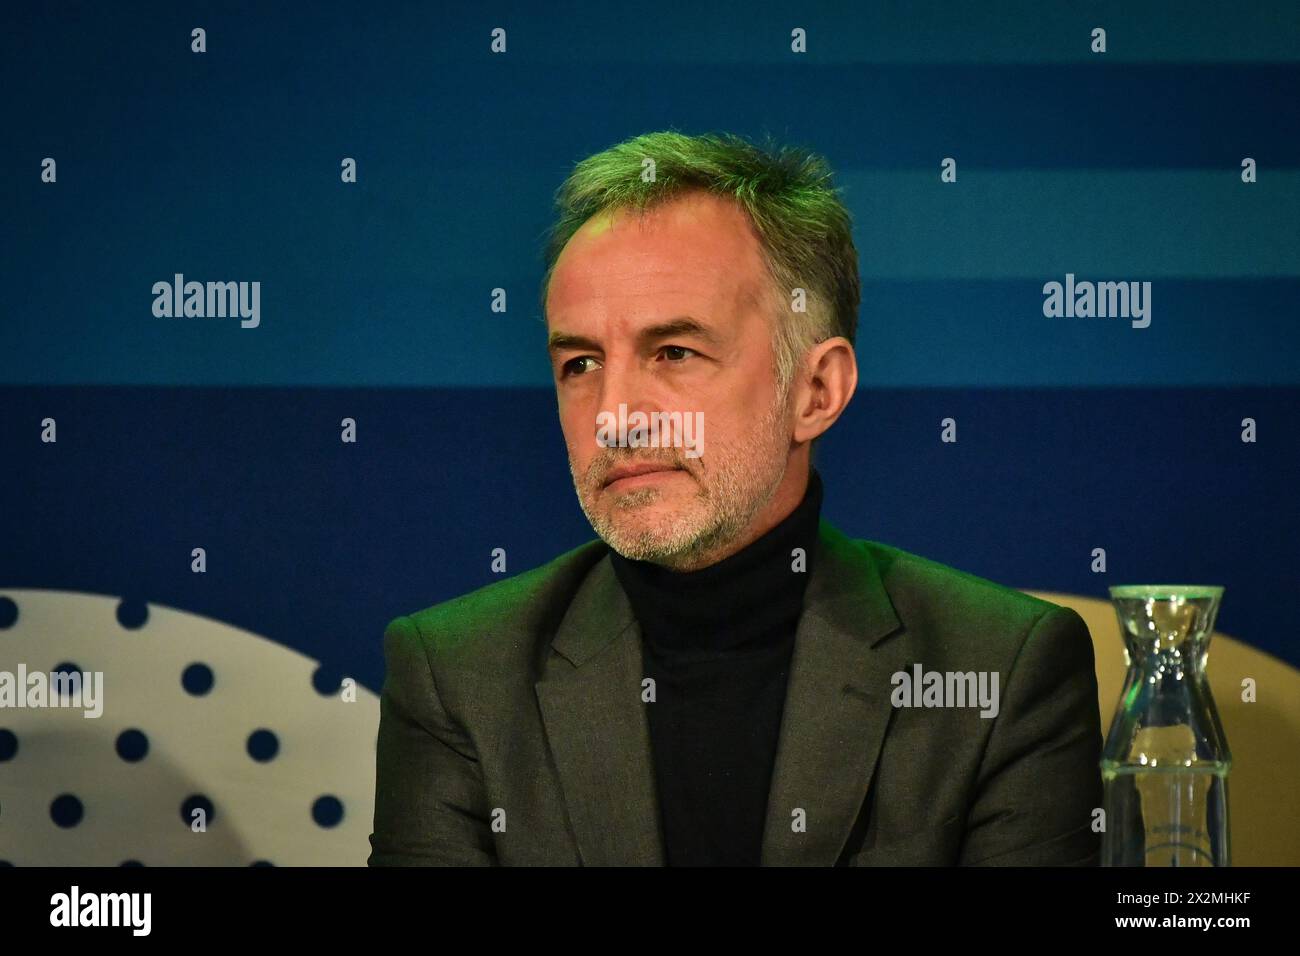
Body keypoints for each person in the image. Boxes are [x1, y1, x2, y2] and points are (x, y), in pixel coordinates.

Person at [368, 130, 1103, 866]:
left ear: (816, 391)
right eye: (581, 362)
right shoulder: (458, 675)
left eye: (675, 353)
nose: (613, 416)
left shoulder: (998, 671)